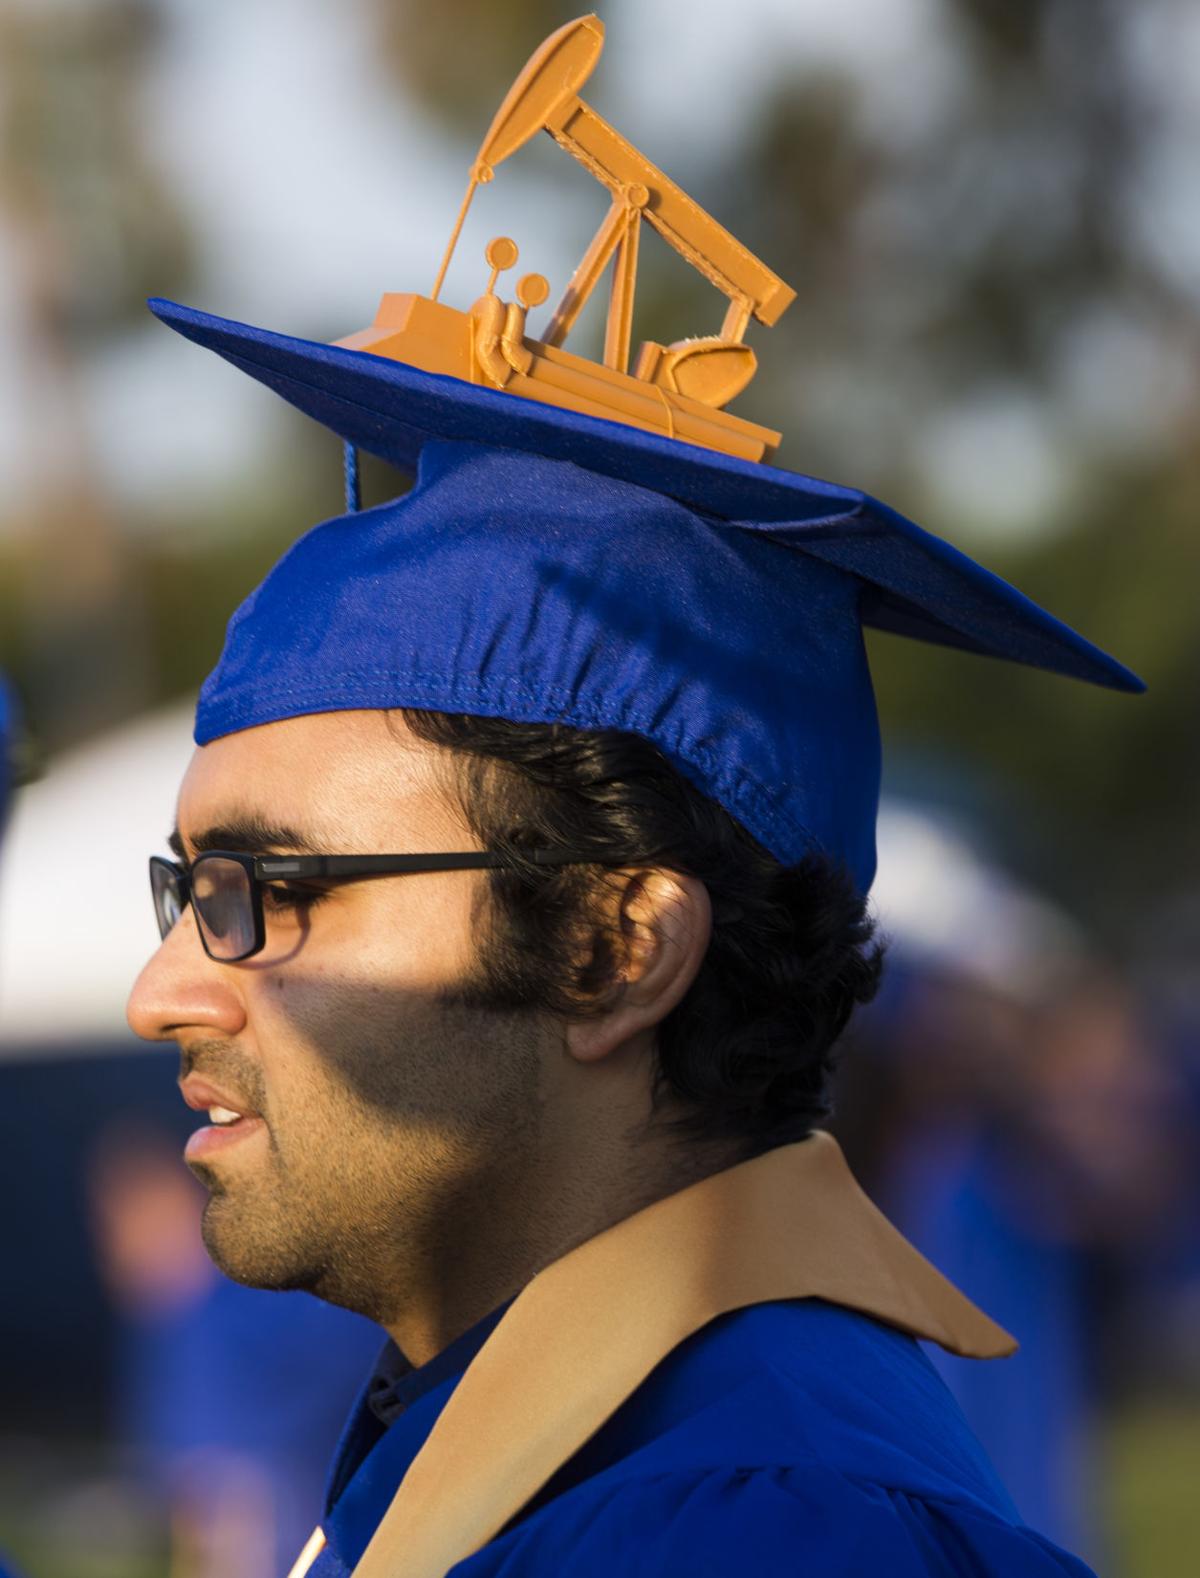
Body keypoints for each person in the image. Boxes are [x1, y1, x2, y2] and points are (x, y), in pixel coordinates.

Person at [127, 17, 1143, 1576]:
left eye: (274, 893)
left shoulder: (760, 1530)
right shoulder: (541, 1451)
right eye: (189, 890)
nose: (162, 989)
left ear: (618, 948)